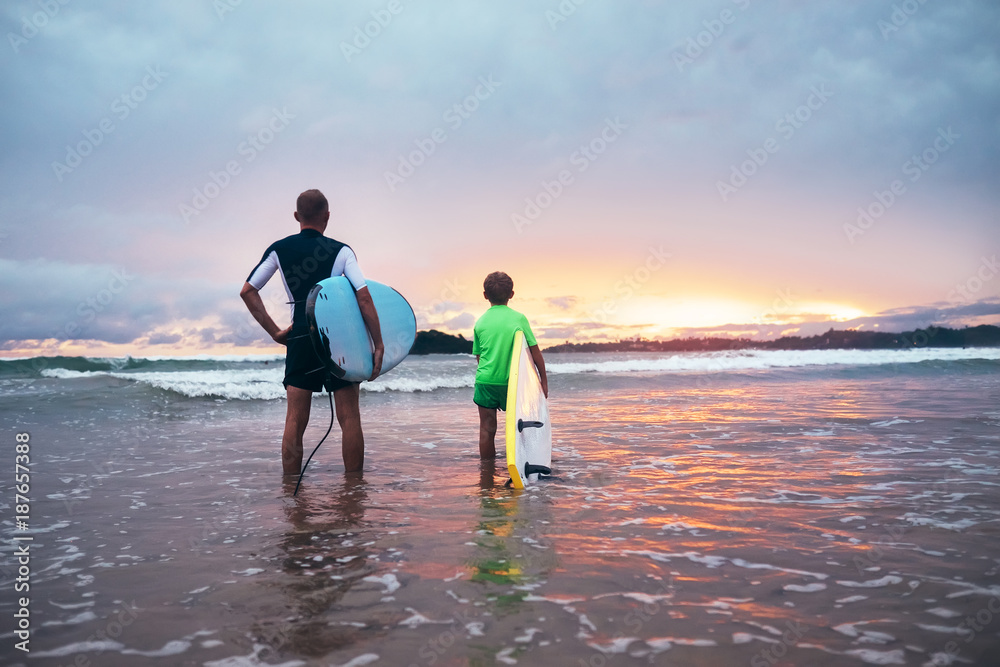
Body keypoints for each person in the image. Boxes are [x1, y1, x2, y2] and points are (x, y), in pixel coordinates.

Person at [240, 189, 384, 475]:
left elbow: (248, 291)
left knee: (295, 418)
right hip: (338, 339)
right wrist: (378, 344)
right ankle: (353, 490)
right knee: (349, 416)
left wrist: (275, 332)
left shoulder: (279, 249)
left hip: (301, 335)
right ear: (327, 216)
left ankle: (290, 489)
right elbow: (363, 296)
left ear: (297, 217)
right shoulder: (342, 251)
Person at [472, 271, 547, 459]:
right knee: (520, 427)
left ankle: (487, 471)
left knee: (487, 430)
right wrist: (543, 381)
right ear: (512, 294)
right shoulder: (519, 318)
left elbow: (479, 357)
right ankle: (521, 464)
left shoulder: (480, 322)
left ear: (485, 295)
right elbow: (534, 353)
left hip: (486, 381)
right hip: (514, 383)